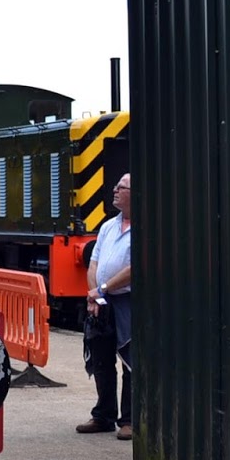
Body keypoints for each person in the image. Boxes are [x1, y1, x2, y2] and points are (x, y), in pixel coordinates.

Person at [78, 173, 133, 438]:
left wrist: (103, 289)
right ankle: (103, 415)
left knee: (130, 360)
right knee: (101, 358)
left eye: (120, 187)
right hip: (102, 300)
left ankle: (130, 420)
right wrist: (96, 295)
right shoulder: (108, 226)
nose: (114, 190)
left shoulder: (145, 228)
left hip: (126, 301)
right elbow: (94, 263)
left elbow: (136, 268)